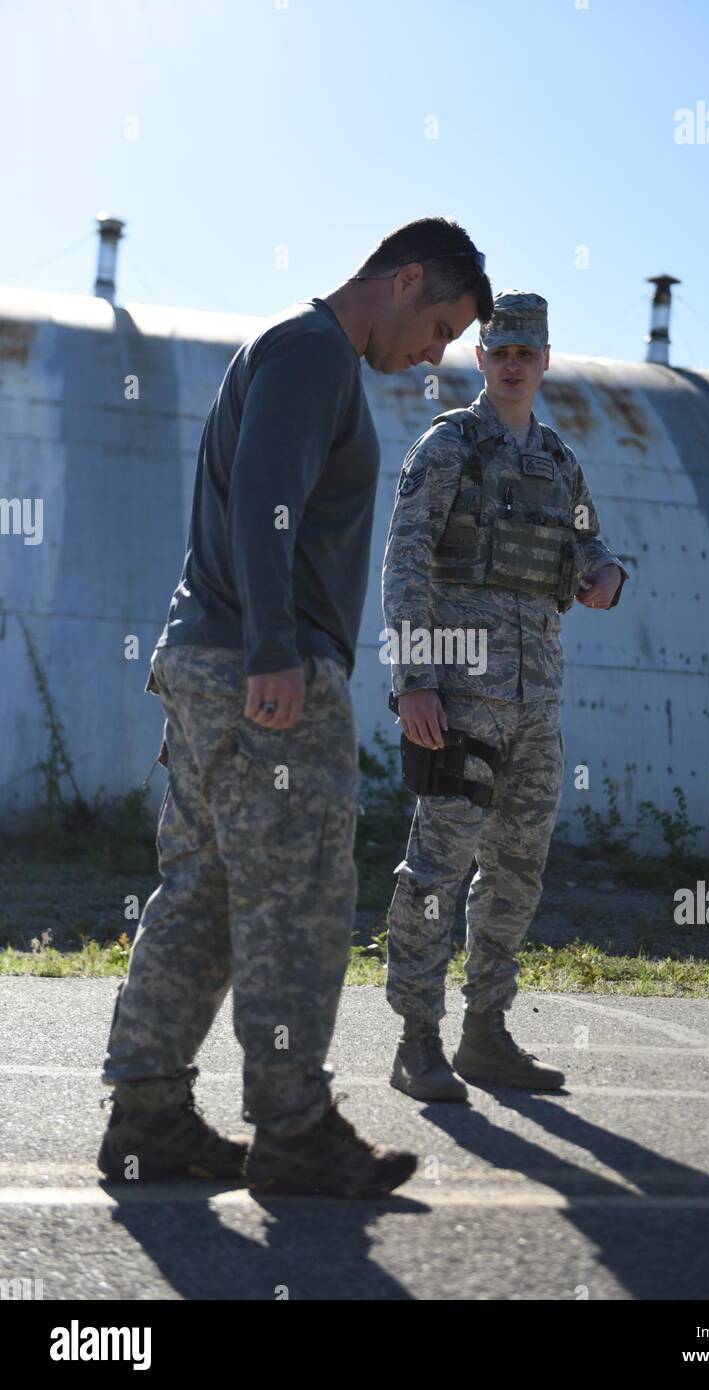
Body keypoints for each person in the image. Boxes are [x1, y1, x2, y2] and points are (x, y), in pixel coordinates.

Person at [98, 218, 493, 1196]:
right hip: (261, 665)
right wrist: (277, 646)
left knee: (210, 892)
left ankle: (147, 1117)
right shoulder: (315, 350)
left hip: (207, 657)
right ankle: (294, 1127)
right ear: (404, 281)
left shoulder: (296, 350)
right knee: (300, 896)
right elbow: (266, 499)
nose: (433, 355)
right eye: (439, 326)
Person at [382, 290, 628, 1102]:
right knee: (436, 870)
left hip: (535, 702)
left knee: (516, 872)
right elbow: (406, 559)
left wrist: (604, 573)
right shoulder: (450, 445)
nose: (514, 363)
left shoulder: (557, 460)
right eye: (501, 351)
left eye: (528, 351)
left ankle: (484, 1034)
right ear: (481, 359)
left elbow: (587, 540)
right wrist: (414, 682)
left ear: (546, 361)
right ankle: (416, 1041)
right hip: (457, 698)